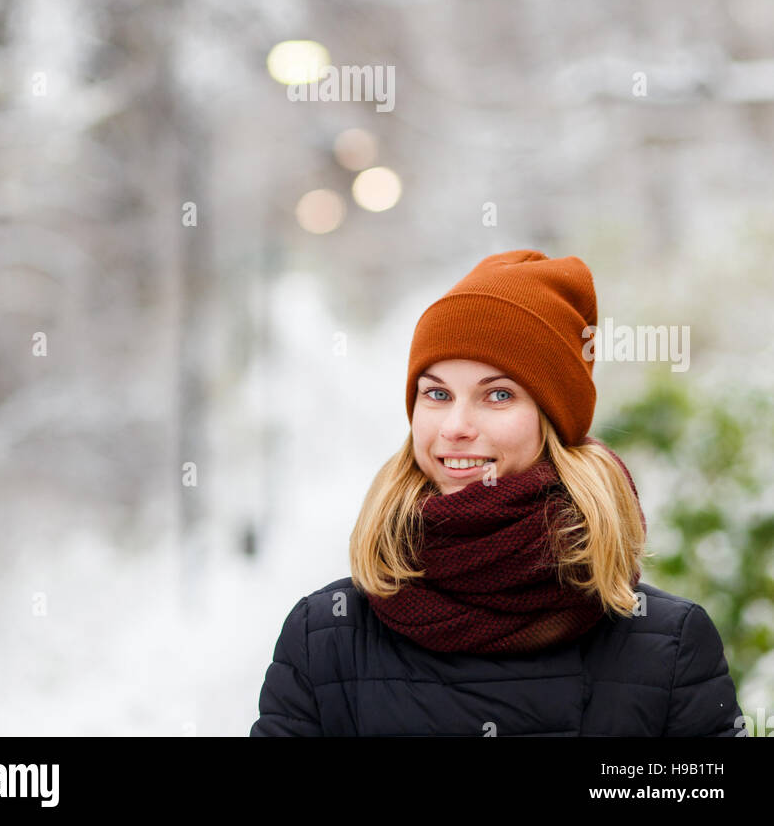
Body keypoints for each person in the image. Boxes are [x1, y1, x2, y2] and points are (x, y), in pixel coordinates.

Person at [249, 249, 743, 737]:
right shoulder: (324, 638)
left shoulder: (667, 646)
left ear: (552, 419)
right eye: (437, 393)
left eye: (498, 395)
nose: (457, 426)